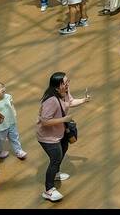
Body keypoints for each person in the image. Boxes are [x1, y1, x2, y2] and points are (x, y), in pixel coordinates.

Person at [35, 72, 90, 202]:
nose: (67, 84)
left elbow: (70, 102)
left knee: (63, 150)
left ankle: (56, 174)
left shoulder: (64, 92)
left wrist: (83, 100)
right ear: (56, 86)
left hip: (60, 131)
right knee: (55, 158)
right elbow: (45, 122)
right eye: (65, 83)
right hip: (47, 136)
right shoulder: (51, 100)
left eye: (67, 81)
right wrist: (64, 119)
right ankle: (48, 190)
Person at [0, 81, 26, 162]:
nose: (2, 89)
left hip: (11, 122)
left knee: (14, 137)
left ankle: (19, 151)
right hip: (1, 127)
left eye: (2, 87)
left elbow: (11, 105)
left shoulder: (8, 96)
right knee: (0, 141)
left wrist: (14, 113)